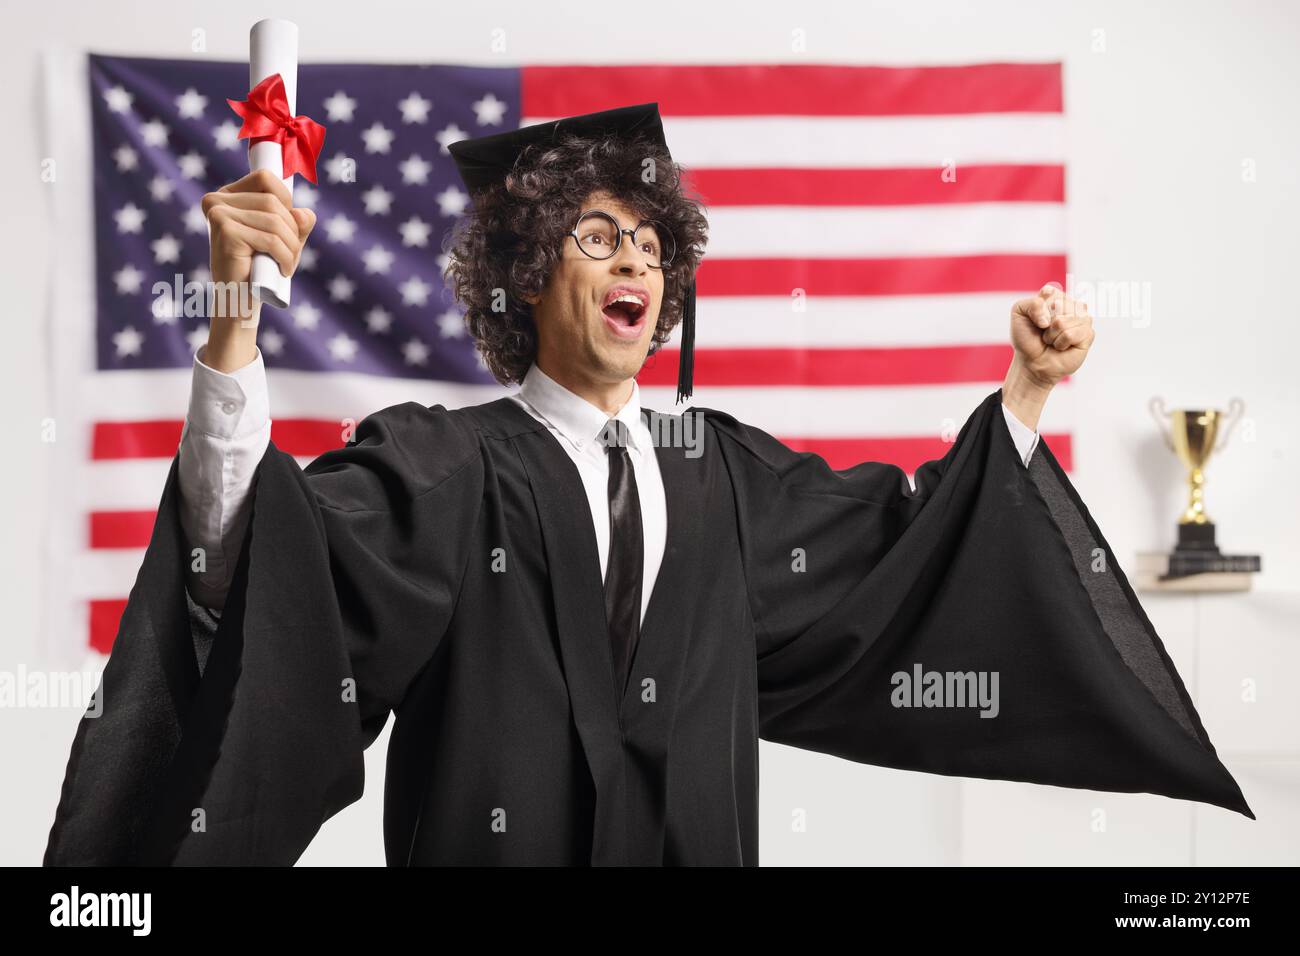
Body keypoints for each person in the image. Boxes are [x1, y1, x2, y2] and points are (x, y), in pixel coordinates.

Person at [45, 103, 1251, 867]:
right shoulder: (445, 465)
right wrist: (235, 320)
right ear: (521, 275)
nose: (635, 259)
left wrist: (1024, 392)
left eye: (650, 243)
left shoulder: (723, 473)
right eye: (593, 236)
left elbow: (910, 551)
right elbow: (252, 554)